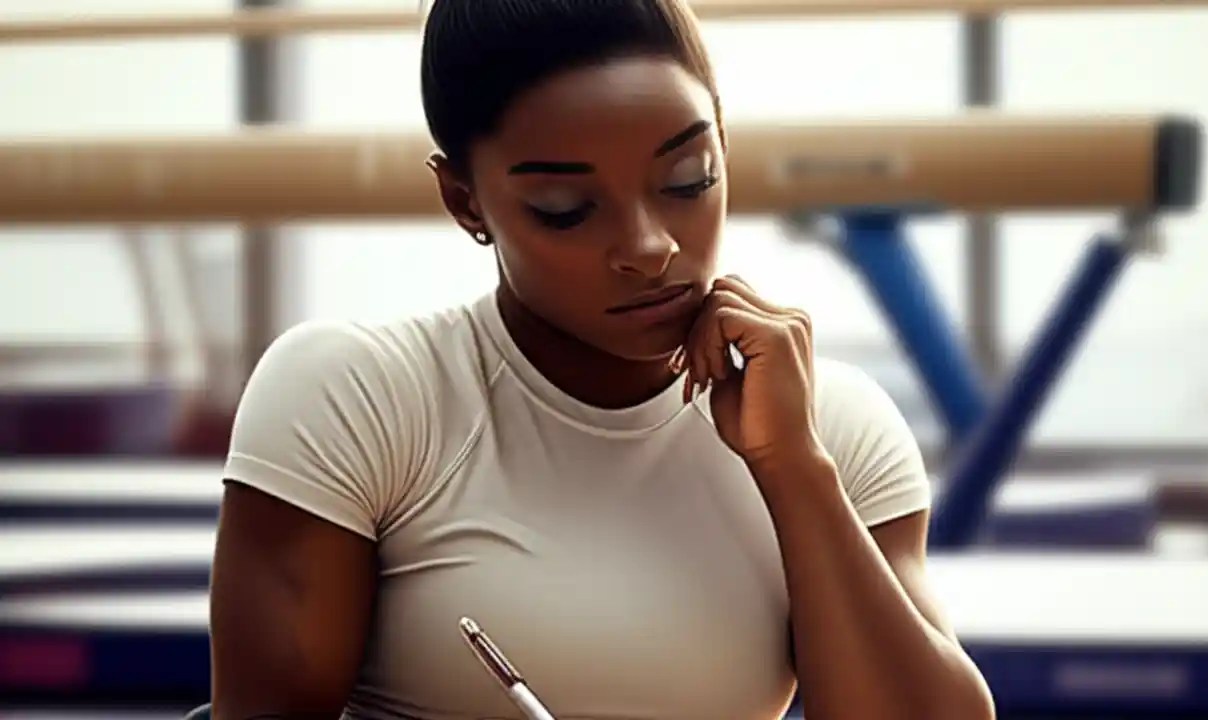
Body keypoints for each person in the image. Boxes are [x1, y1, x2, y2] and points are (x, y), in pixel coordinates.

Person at [208, 1, 995, 718]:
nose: (651, 249)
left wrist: (794, 468)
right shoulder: (361, 397)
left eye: (688, 181)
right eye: (567, 210)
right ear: (465, 201)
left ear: (724, 140)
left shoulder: (834, 426)